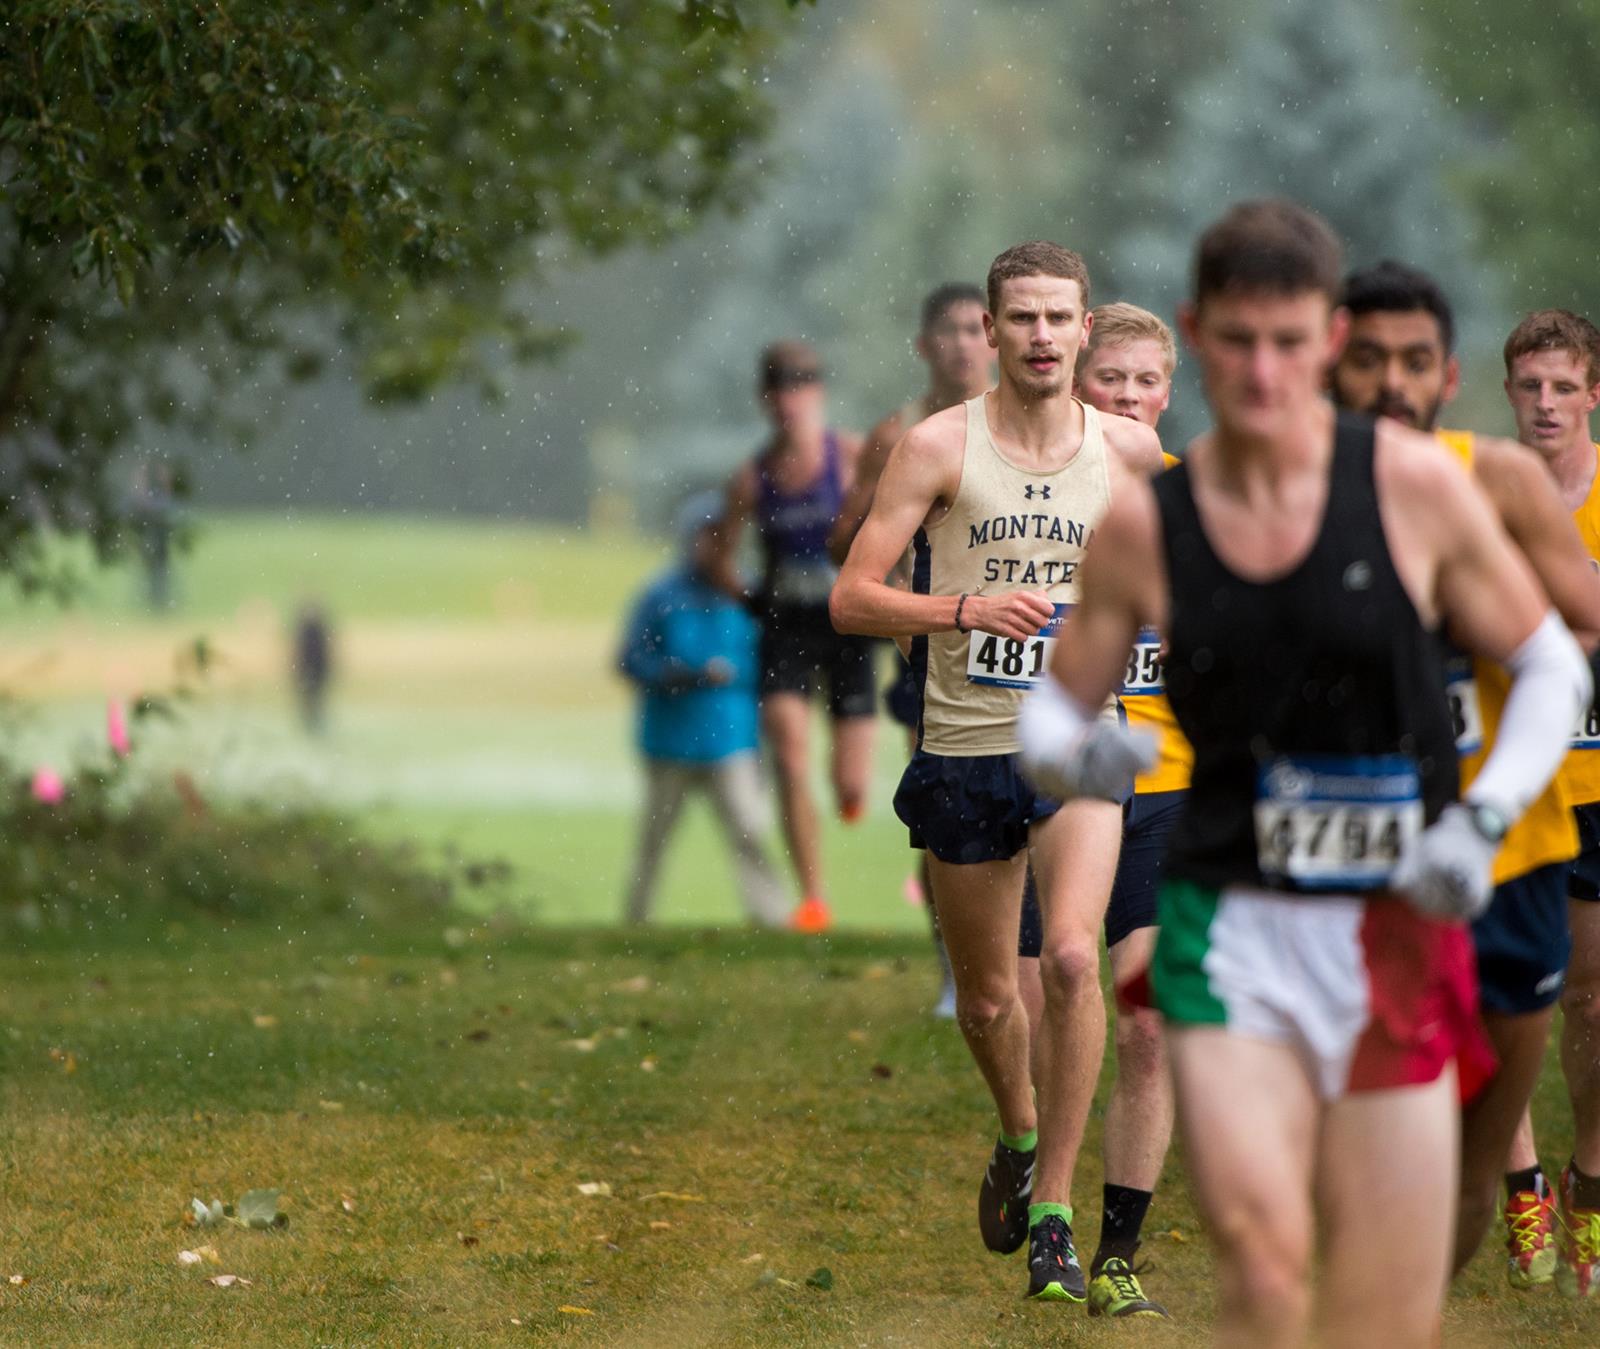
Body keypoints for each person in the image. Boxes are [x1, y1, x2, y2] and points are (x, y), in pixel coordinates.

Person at [1019, 199, 1588, 1346]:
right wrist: (1090, 752)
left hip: (1393, 936)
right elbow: (1047, 708)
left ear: (1326, 341)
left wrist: (1477, 822)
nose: (1264, 370)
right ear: (1197, 332)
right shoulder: (1148, 522)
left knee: (1385, 1301)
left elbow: (1546, 666)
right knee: (1269, 1272)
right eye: (1236, 341)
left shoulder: (1415, 490)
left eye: (1289, 341)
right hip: (1230, 935)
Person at [832, 240, 1163, 1304]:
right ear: (989, 328)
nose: (1041, 337)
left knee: (1072, 959)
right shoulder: (936, 446)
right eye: (1020, 318)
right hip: (965, 746)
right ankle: (1018, 1134)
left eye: (1059, 318)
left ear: (1081, 325)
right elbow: (850, 598)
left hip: (1081, 743)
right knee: (986, 1000)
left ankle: (1057, 1216)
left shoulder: (1127, 450)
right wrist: (962, 610)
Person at [1330, 265, 1600, 1286]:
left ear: (1444, 376)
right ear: (1331, 364)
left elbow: (1579, 625)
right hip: (1345, 839)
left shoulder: (1498, 483)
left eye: (1412, 362)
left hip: (1512, 846)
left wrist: (1477, 627)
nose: (1391, 383)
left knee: (1468, 1181)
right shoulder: (1278, 490)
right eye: (1367, 359)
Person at [1061, 301, 1186, 1316]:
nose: (1132, 397)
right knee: (1027, 998)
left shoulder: (1197, 506)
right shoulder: (1028, 495)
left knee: (1146, 1019)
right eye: (1115, 379)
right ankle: (1027, 1146)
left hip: (1167, 783)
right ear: (1075, 382)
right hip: (1055, 781)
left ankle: (1115, 1250)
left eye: (1149, 381)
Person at [830, 282, 995, 1017]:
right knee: (942, 809)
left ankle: (1028, 958)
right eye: (948, 331)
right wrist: (899, 581)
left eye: (973, 329)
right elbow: (846, 543)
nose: (963, 343)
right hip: (926, 646)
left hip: (1016, 639)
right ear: (924, 345)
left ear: (993, 339)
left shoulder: (1026, 427)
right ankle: (955, 968)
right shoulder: (897, 431)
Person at [1503, 308, 1600, 1298]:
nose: (1543, 403)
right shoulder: (1485, 495)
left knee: (1590, 1001)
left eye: (1561, 387)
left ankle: (1589, 1187)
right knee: (1511, 1003)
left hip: (1599, 784)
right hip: (1518, 788)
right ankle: (1519, 1178)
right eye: (1528, 386)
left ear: (1590, 394)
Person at [711, 342, 873, 934]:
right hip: (785, 629)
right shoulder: (751, 480)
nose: (790, 402)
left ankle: (850, 793)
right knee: (788, 753)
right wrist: (753, 599)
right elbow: (719, 555)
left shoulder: (851, 458)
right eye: (779, 390)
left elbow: (899, 520)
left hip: (847, 626)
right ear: (764, 400)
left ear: (818, 393)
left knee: (850, 784)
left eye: (801, 387)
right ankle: (813, 897)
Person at [617, 492, 789, 929]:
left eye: (723, 537)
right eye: (707, 536)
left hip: (731, 741)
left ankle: (772, 920)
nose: (714, 546)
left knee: (751, 835)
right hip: (669, 740)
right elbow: (630, 660)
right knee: (652, 843)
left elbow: (776, 665)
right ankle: (634, 921)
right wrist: (678, 673)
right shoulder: (660, 595)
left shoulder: (749, 594)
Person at [292, 602, 335, 735]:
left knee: (313, 701)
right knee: (311, 701)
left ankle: (313, 726)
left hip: (313, 672)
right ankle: (313, 726)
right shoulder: (315, 630)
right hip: (312, 671)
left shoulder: (308, 630)